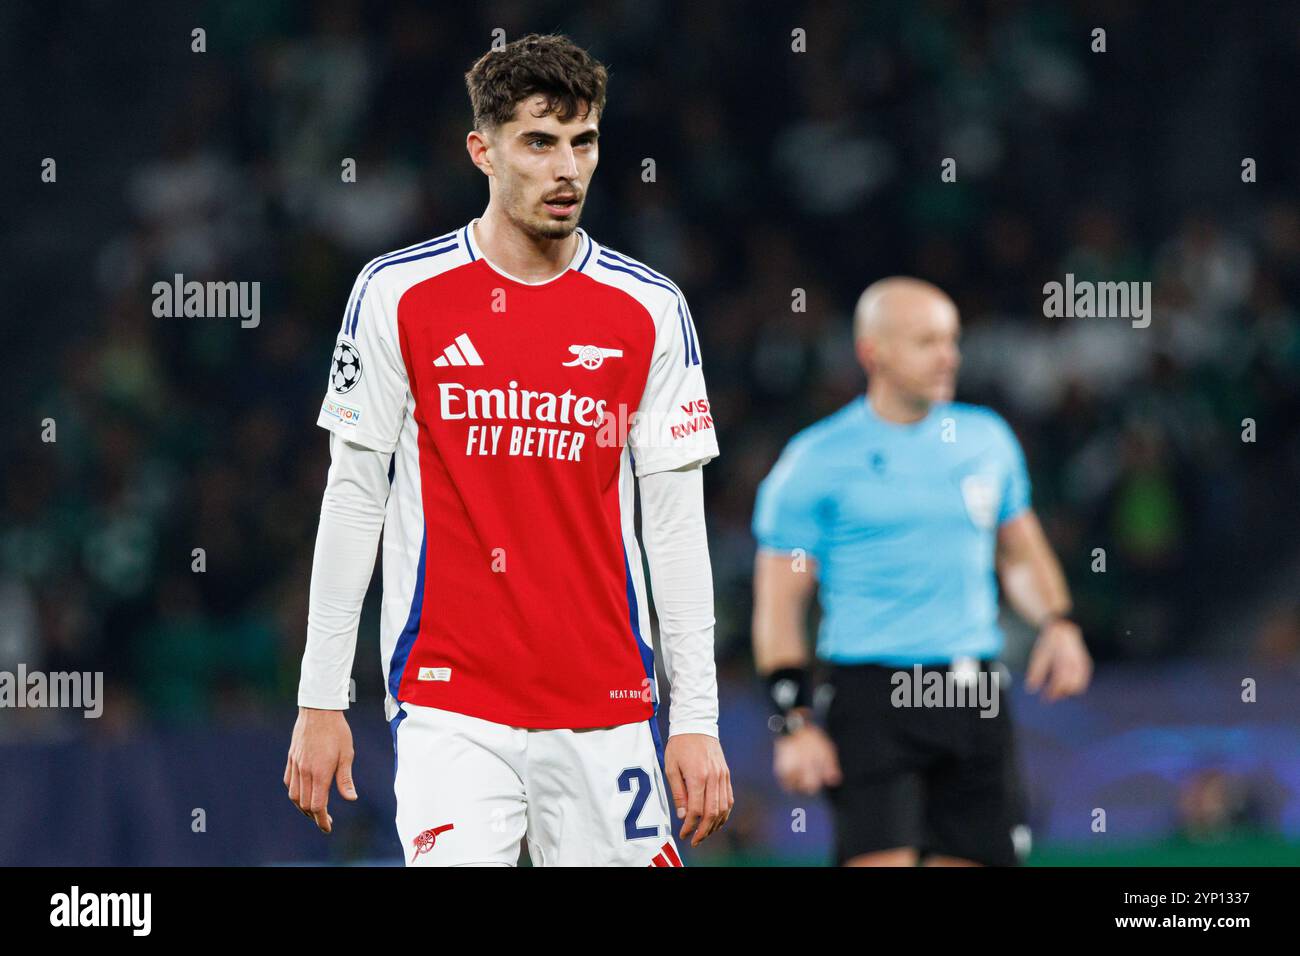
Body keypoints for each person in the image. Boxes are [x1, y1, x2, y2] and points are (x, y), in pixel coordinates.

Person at [285, 33, 732, 867]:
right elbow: (354, 496)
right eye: (539, 141)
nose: (567, 167)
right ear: (481, 151)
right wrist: (320, 697)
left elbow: (674, 529)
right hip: (451, 702)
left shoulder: (649, 309)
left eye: (584, 141)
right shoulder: (399, 294)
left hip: (608, 700)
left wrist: (697, 719)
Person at [751, 277, 1091, 866]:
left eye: (952, 340)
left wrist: (1058, 622)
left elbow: (1018, 553)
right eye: (927, 342)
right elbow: (779, 604)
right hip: (870, 696)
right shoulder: (815, 460)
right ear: (872, 352)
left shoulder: (987, 441)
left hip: (973, 692)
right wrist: (793, 722)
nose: (948, 357)